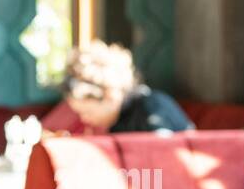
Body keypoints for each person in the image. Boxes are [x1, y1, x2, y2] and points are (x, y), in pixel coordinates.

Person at [42, 40, 194, 136]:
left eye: (87, 112)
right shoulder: (118, 123)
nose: (84, 119)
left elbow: (163, 157)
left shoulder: (152, 108)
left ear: (110, 96)